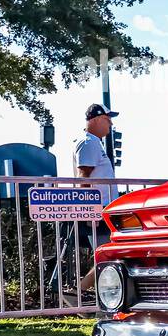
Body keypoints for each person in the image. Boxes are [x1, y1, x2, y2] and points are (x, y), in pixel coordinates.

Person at [71, 104, 119, 297]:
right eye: (108, 119)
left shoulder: (92, 142)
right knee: (107, 255)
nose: (111, 124)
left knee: (109, 254)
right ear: (97, 119)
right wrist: (90, 210)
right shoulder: (88, 142)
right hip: (100, 209)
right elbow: (84, 178)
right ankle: (80, 293)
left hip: (103, 208)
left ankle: (82, 294)